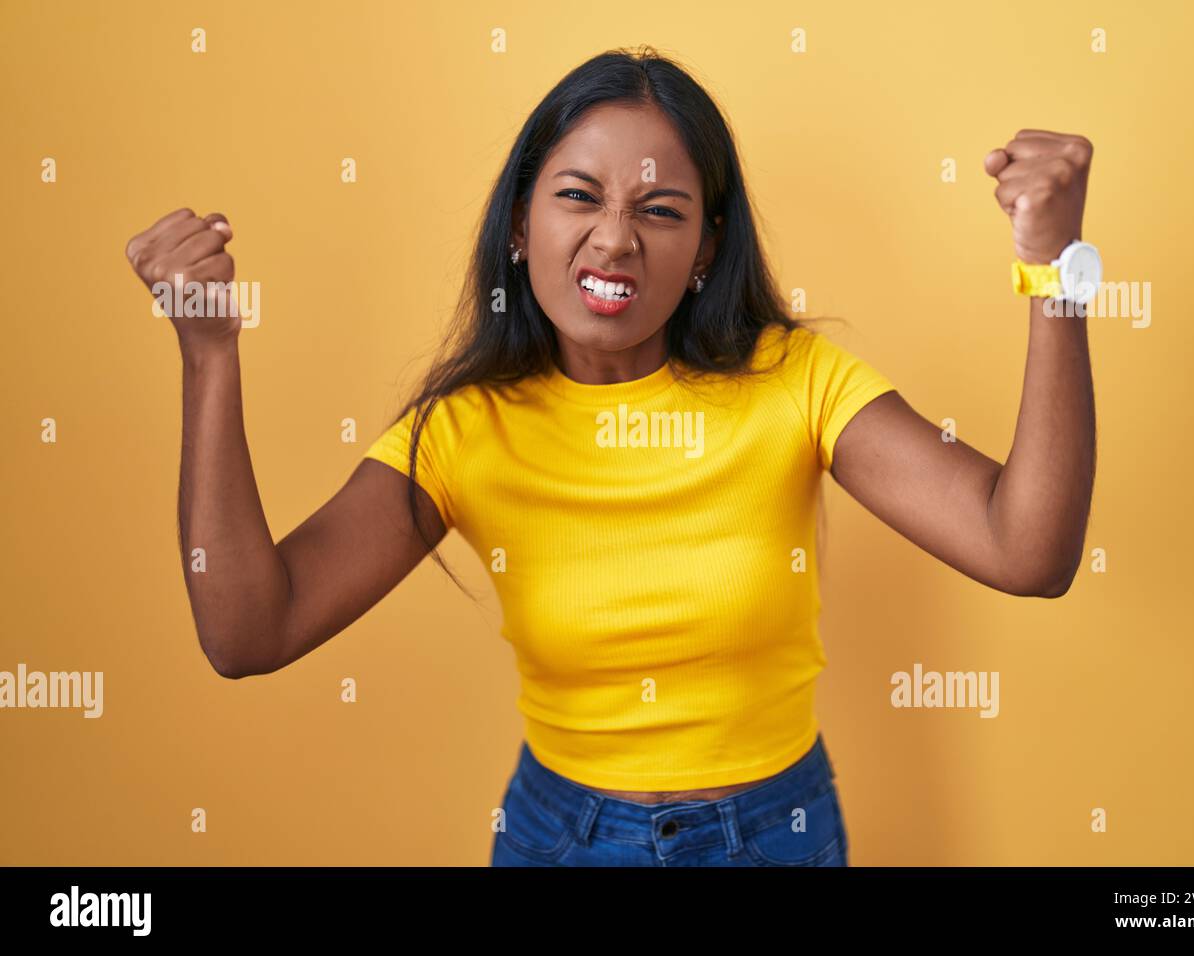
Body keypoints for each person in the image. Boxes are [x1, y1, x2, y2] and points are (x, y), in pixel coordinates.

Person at [123, 46, 1096, 866]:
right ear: (519, 224)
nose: (615, 238)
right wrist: (210, 357)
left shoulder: (797, 381)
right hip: (562, 838)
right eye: (577, 196)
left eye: (662, 209)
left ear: (708, 248)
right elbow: (250, 631)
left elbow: (1026, 551)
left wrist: (1055, 269)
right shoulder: (466, 431)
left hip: (776, 834)